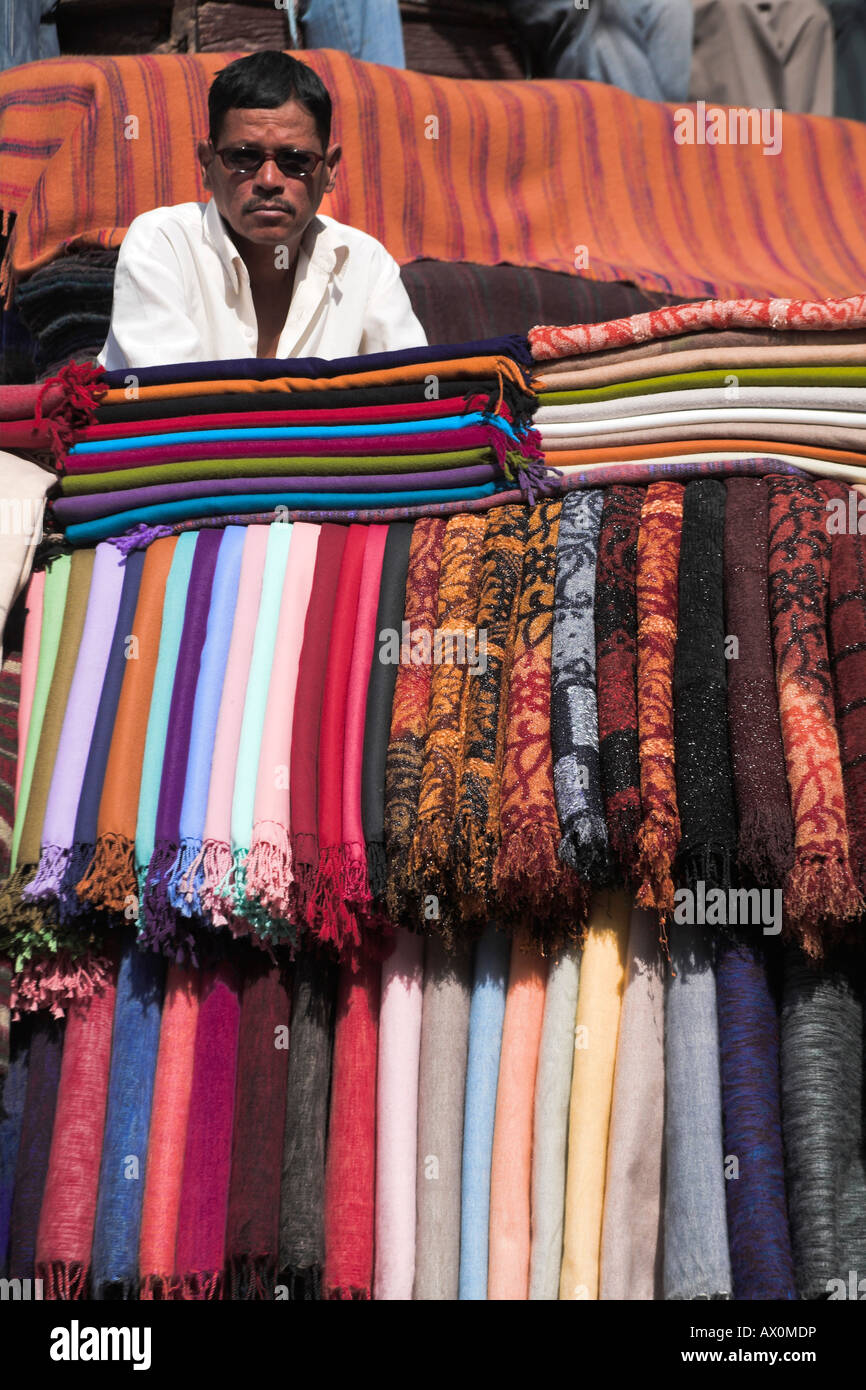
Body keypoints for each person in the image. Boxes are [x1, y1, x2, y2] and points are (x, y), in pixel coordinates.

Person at [98, 50, 426, 370]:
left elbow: (413, 399)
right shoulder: (162, 245)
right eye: (243, 157)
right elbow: (173, 410)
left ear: (330, 170)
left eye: (295, 160)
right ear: (206, 164)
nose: (269, 180)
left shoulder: (367, 264)